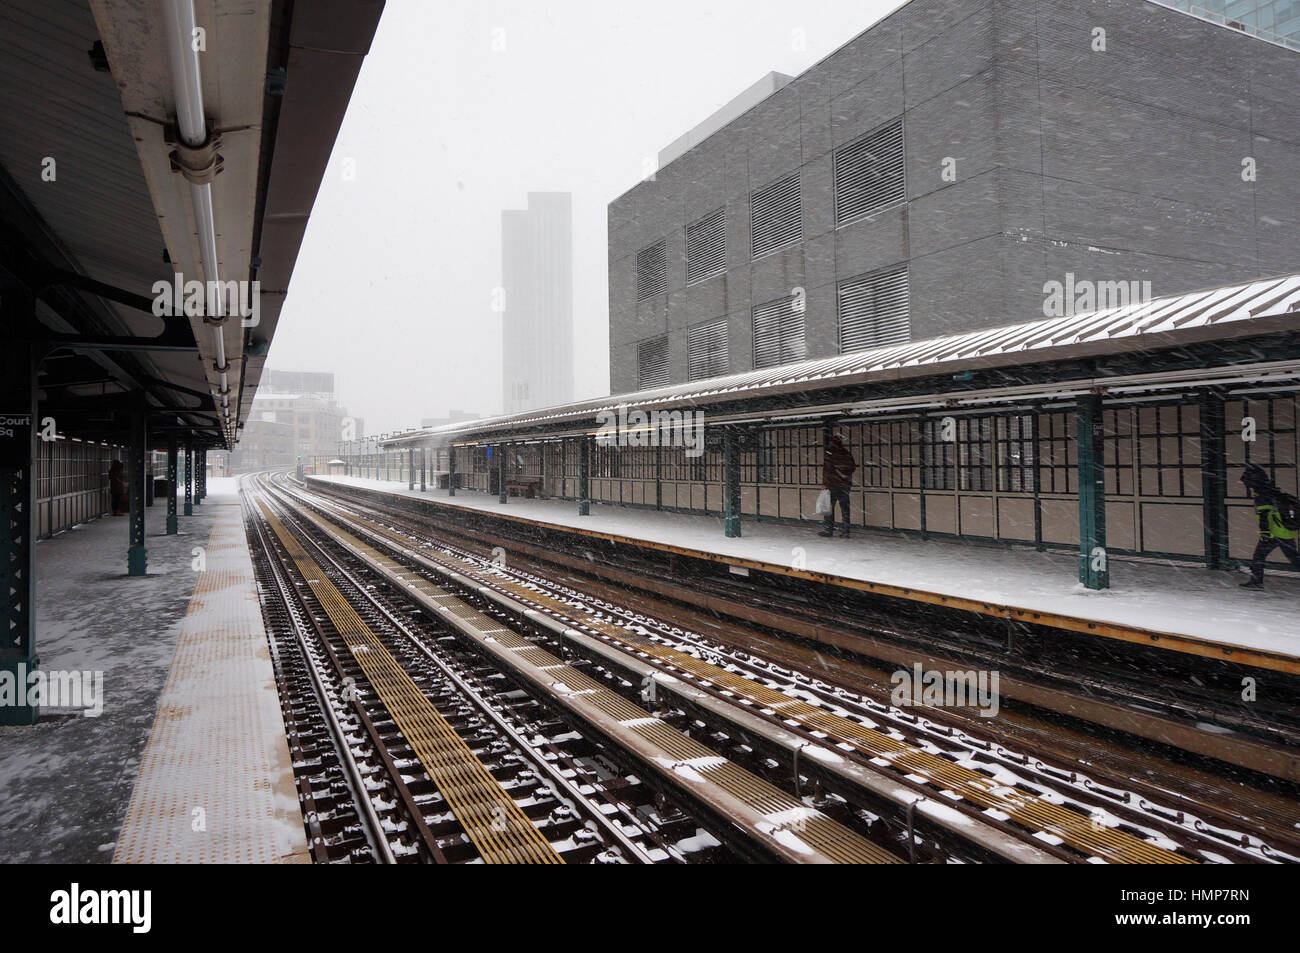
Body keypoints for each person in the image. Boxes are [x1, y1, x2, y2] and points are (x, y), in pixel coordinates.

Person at [1240, 463, 1300, 590]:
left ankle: (1256, 582)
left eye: (1248, 484)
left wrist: (1265, 532)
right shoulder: (1270, 490)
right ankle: (1256, 581)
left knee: (1259, 556)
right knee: (1294, 558)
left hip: (1275, 532)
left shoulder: (1262, 495)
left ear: (1254, 482)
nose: (1248, 488)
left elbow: (1264, 516)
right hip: (1284, 531)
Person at [818, 431, 856, 538]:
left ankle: (829, 530)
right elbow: (852, 467)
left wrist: (824, 483)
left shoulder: (830, 453)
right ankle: (846, 531)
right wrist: (844, 475)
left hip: (832, 485)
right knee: (845, 509)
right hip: (845, 486)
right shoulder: (847, 453)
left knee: (829, 508)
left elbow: (827, 470)